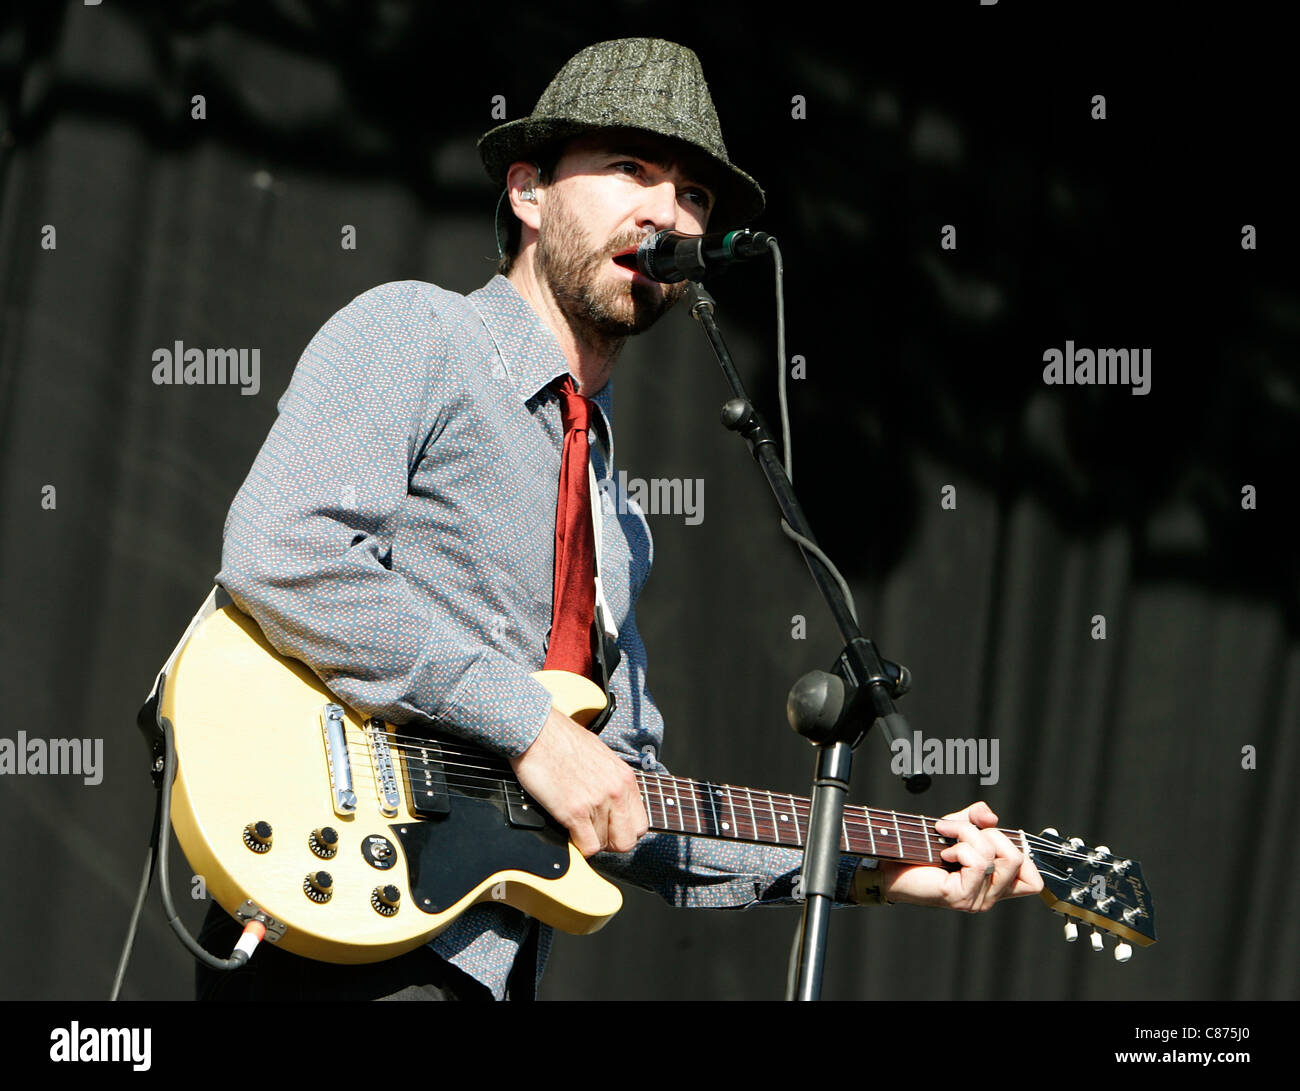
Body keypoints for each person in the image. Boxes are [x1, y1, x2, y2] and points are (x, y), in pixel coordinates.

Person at [197, 38, 1042, 1002]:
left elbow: (626, 800)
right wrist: (530, 726)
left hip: (481, 967)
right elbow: (283, 551)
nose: (665, 212)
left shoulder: (616, 514)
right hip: (330, 900)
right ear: (528, 192)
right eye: (631, 170)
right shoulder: (417, 333)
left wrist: (874, 870)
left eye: (693, 196)